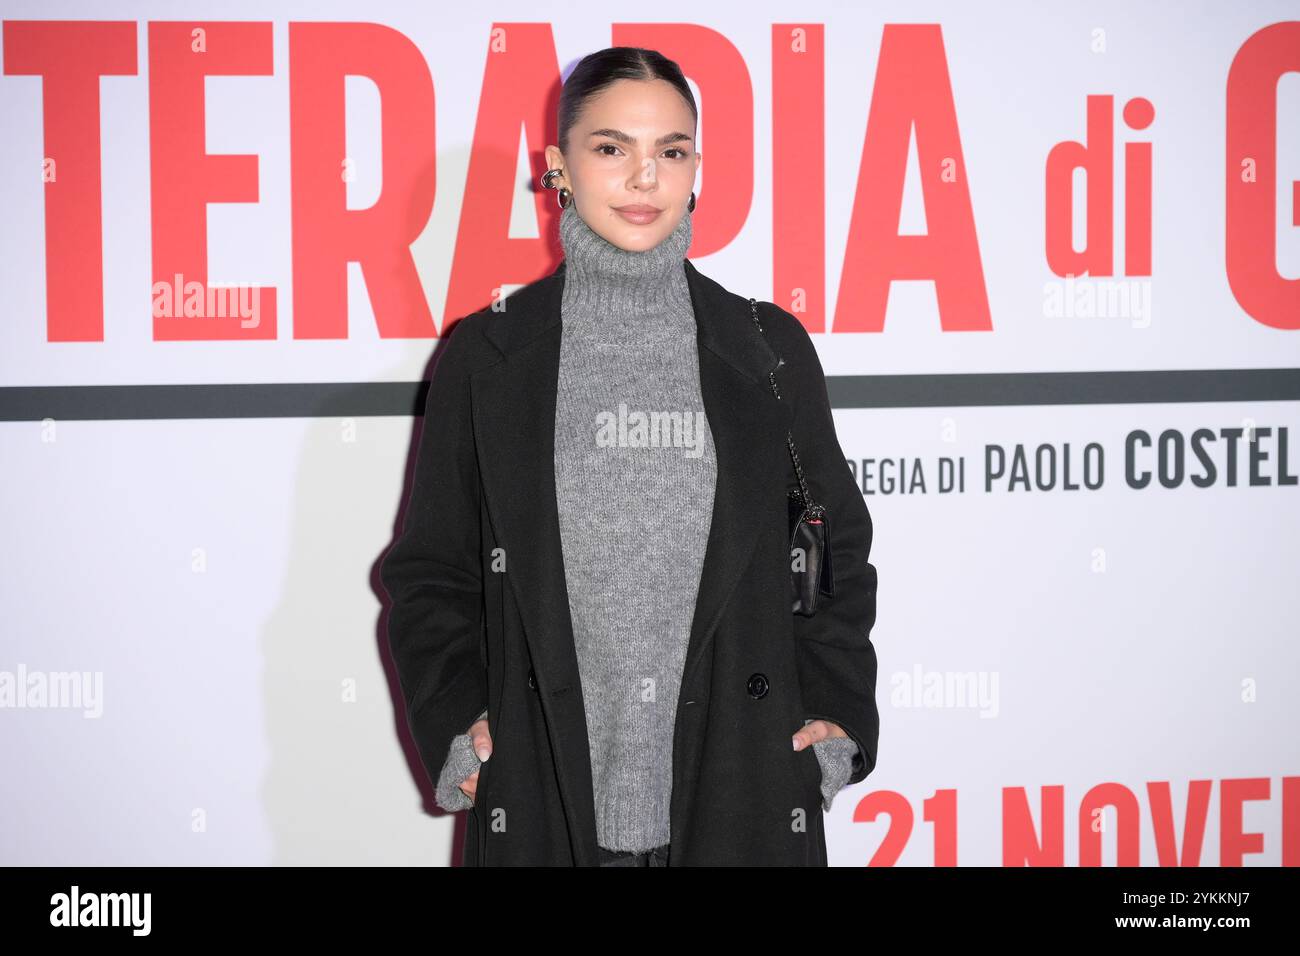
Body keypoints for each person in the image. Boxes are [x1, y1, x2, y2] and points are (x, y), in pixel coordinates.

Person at [381, 46, 879, 866]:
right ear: (559, 167)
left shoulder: (765, 346)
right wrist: (459, 723)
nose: (644, 178)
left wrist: (835, 715)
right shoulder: (490, 355)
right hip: (543, 790)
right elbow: (431, 572)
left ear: (695, 167)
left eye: (670, 151)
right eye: (612, 148)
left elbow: (830, 551)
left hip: (740, 788)